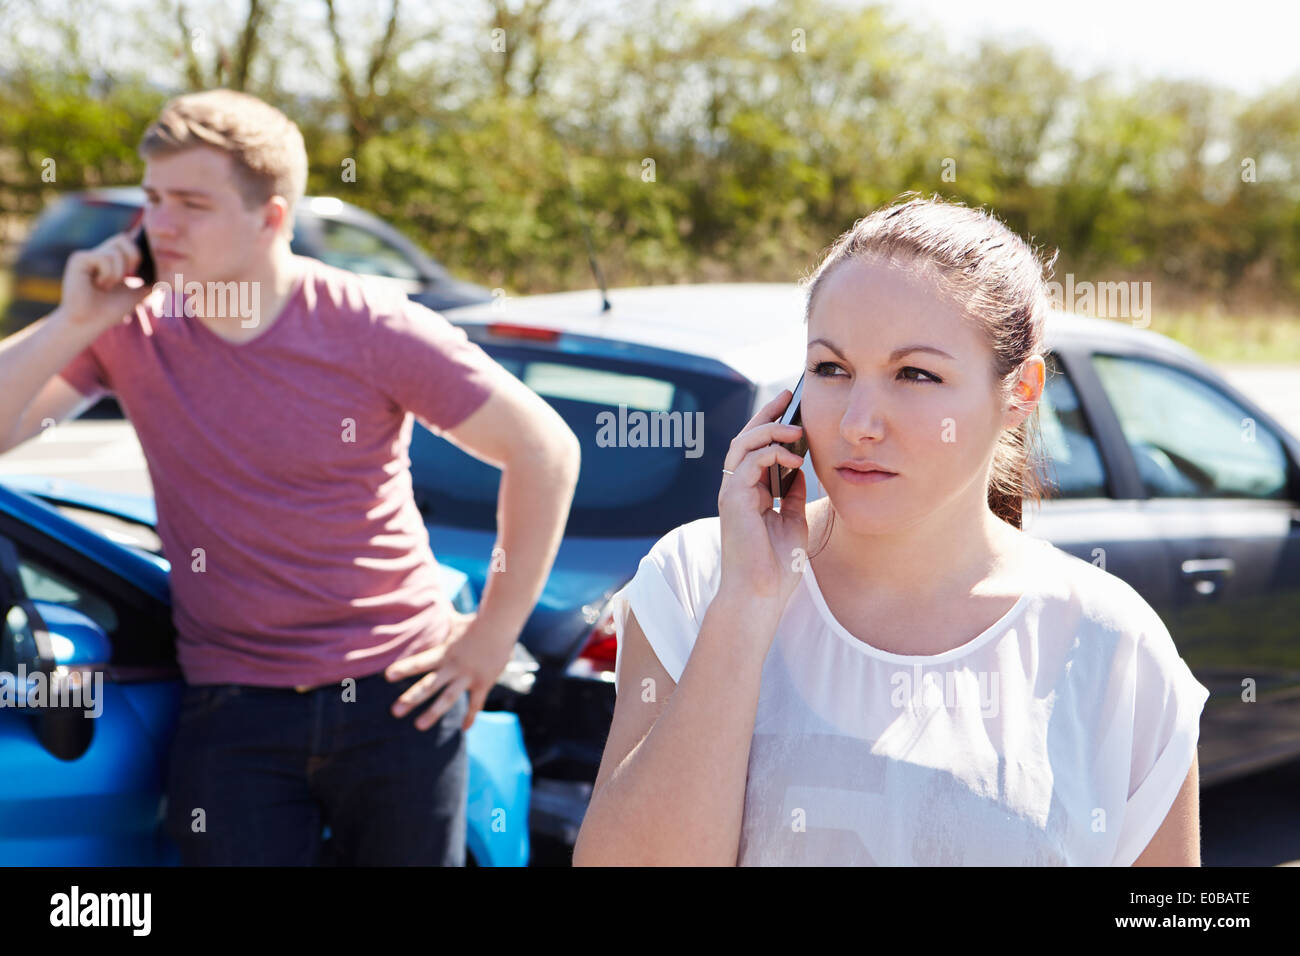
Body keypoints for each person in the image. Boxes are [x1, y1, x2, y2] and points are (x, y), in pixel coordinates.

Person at [0, 89, 581, 865]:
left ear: (270, 218)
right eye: (152, 200)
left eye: (191, 205)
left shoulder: (370, 324)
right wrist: (75, 322)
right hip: (234, 708)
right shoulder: (129, 325)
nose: (158, 226)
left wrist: (489, 640)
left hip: (398, 693)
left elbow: (545, 451)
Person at [574, 193, 1210, 866]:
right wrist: (748, 602)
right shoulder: (699, 579)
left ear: (1020, 392)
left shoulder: (1112, 643)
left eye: (915, 373)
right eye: (831, 369)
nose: (857, 423)